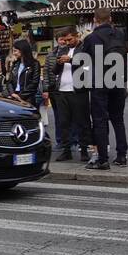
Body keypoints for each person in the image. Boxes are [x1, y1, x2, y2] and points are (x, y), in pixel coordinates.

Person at [76, 9, 128, 169]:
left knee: (99, 121)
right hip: (118, 81)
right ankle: (122, 155)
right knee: (118, 119)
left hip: (99, 82)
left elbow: (82, 61)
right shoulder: (120, 34)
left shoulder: (92, 38)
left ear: (94, 20)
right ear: (110, 18)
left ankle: (103, 159)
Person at [44, 29, 84, 162]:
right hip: (61, 90)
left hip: (77, 90)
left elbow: (87, 65)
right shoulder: (62, 50)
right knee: (63, 122)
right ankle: (66, 150)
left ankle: (84, 150)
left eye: (69, 39)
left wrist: (71, 60)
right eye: (65, 40)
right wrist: (59, 62)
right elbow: (54, 71)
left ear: (76, 37)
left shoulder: (83, 48)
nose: (67, 42)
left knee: (80, 120)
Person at [7, 37, 44, 109]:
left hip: (28, 98)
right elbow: (9, 81)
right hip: (14, 96)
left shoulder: (35, 64)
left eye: (15, 51)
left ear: (22, 50)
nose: (14, 53)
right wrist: (12, 93)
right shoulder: (15, 64)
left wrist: (21, 96)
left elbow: (34, 83)